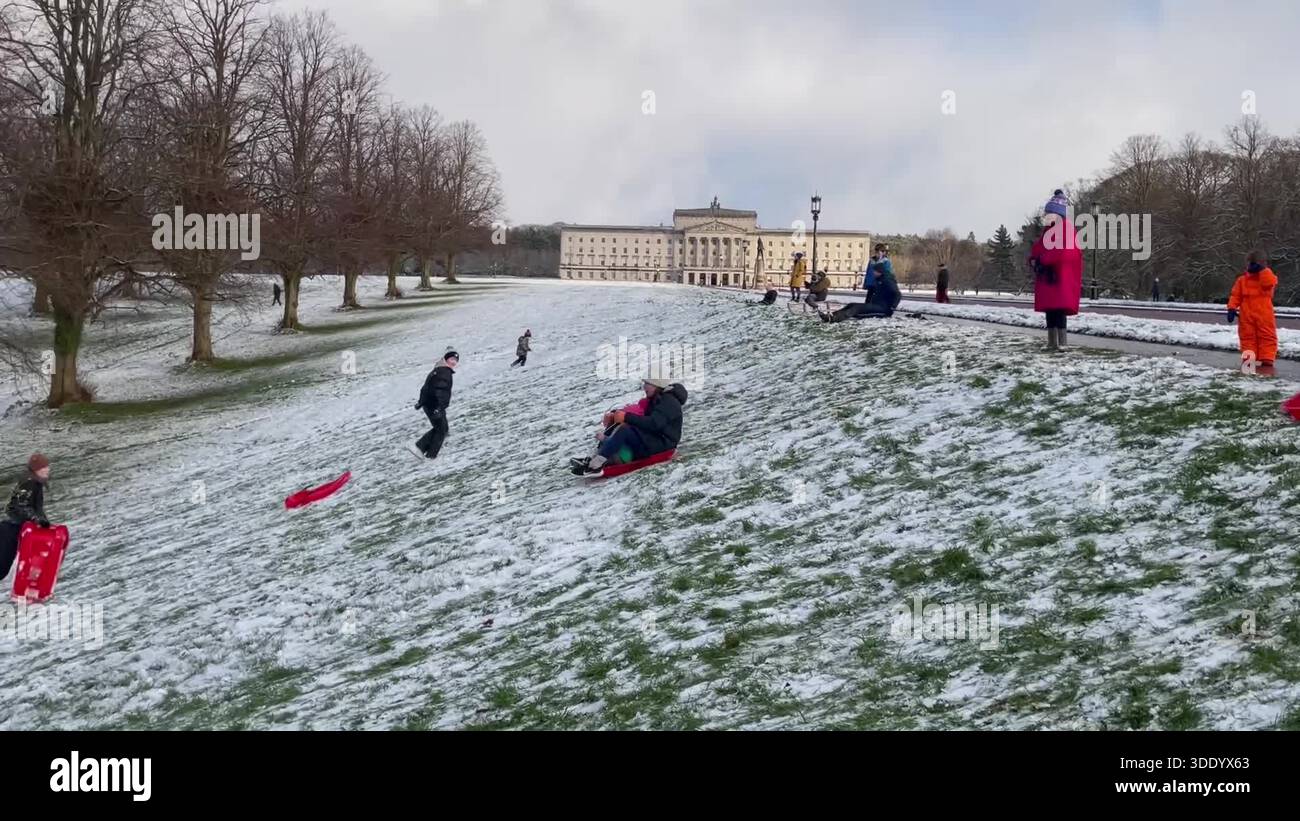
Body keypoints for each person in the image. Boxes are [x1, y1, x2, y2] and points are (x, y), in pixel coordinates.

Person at [572, 378, 688, 475]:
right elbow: (642, 418)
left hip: (663, 444)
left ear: (656, 385)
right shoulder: (656, 399)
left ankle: (597, 464)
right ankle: (595, 458)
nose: (644, 387)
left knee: (625, 430)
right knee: (621, 425)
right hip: (653, 440)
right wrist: (617, 415)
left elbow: (654, 424)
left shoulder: (669, 402)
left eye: (647, 384)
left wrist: (627, 417)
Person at [1028, 190, 1083, 351]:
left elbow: (1066, 251)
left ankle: (1062, 342)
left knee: (1059, 309)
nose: (1046, 216)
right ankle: (1053, 342)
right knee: (1051, 309)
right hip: (1050, 276)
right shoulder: (1050, 229)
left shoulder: (1066, 228)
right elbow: (1040, 247)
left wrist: (1043, 259)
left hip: (1060, 276)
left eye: (1049, 213)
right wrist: (1034, 258)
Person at [1, 454, 51, 578]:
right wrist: (36, 519)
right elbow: (19, 505)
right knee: (2, 566)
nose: (48, 469)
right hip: (10, 528)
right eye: (44, 467)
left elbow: (36, 507)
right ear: (36, 470)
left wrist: (44, 521)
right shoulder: (30, 482)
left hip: (18, 528)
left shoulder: (36, 481)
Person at [1227, 249, 1278, 368]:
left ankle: (1267, 358)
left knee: (1266, 335)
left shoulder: (1266, 276)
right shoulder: (1242, 280)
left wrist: (1263, 271)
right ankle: (1249, 358)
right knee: (1247, 336)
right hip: (1246, 313)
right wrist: (1232, 308)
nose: (1250, 265)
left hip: (1263, 312)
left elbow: (1270, 283)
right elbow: (1235, 295)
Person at [824, 256, 901, 322]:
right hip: (875, 304)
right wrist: (867, 303)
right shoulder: (878, 280)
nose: (873, 273)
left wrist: (892, 307)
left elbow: (897, 294)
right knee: (851, 304)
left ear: (879, 272)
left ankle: (835, 318)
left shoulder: (887, 281)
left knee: (857, 308)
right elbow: (872, 292)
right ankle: (830, 315)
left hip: (883, 308)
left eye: (874, 271)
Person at [414, 351, 458, 458]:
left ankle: (422, 449)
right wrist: (438, 407)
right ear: (446, 360)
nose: (454, 362)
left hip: (430, 404)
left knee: (443, 429)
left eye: (456, 360)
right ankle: (428, 454)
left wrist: (421, 402)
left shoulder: (437, 370)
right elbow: (440, 390)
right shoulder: (444, 372)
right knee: (441, 430)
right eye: (452, 359)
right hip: (434, 405)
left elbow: (425, 388)